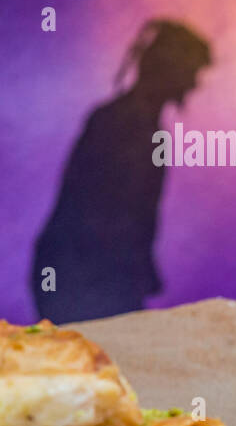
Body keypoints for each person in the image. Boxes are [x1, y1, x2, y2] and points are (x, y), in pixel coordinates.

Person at [30, 19, 211, 322]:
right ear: (170, 69)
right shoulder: (122, 124)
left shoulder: (136, 125)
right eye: (192, 72)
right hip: (83, 280)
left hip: (90, 280)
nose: (194, 84)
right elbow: (96, 216)